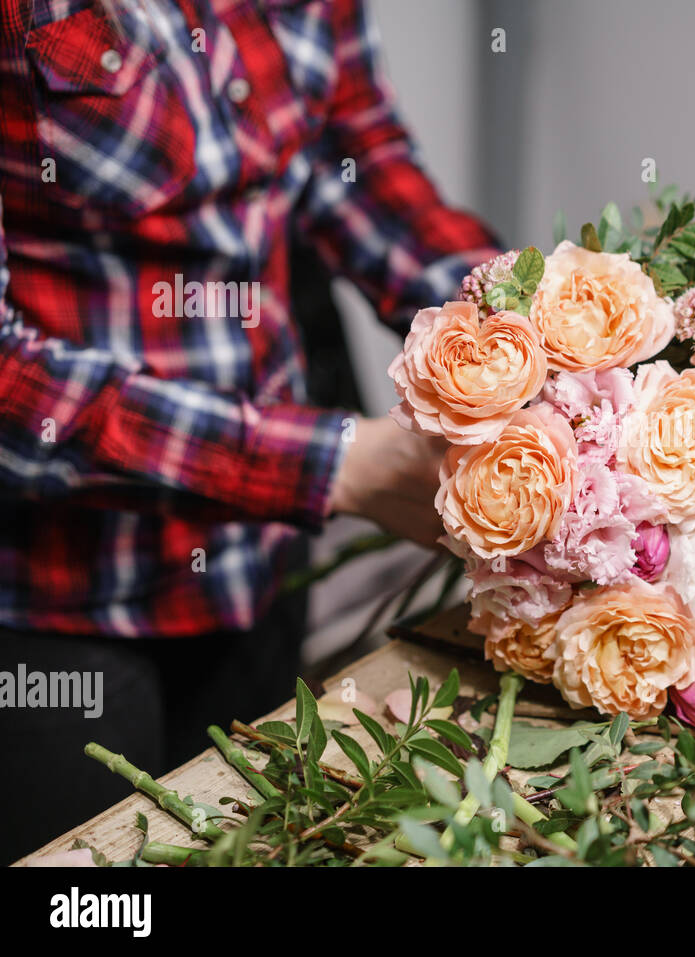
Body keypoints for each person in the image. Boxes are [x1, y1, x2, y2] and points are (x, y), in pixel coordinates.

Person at [0, 0, 495, 861]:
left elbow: (355, 156)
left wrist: (522, 331)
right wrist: (337, 467)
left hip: (259, 559)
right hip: (56, 597)